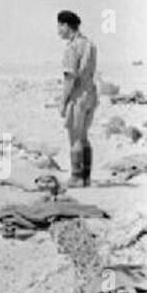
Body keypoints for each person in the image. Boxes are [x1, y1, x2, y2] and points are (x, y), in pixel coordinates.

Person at [57, 10, 98, 187]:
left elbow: (70, 77)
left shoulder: (73, 47)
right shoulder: (89, 44)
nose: (58, 30)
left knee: (75, 138)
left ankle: (76, 177)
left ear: (66, 25)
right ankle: (86, 176)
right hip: (90, 93)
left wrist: (63, 101)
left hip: (78, 95)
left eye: (59, 26)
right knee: (84, 136)